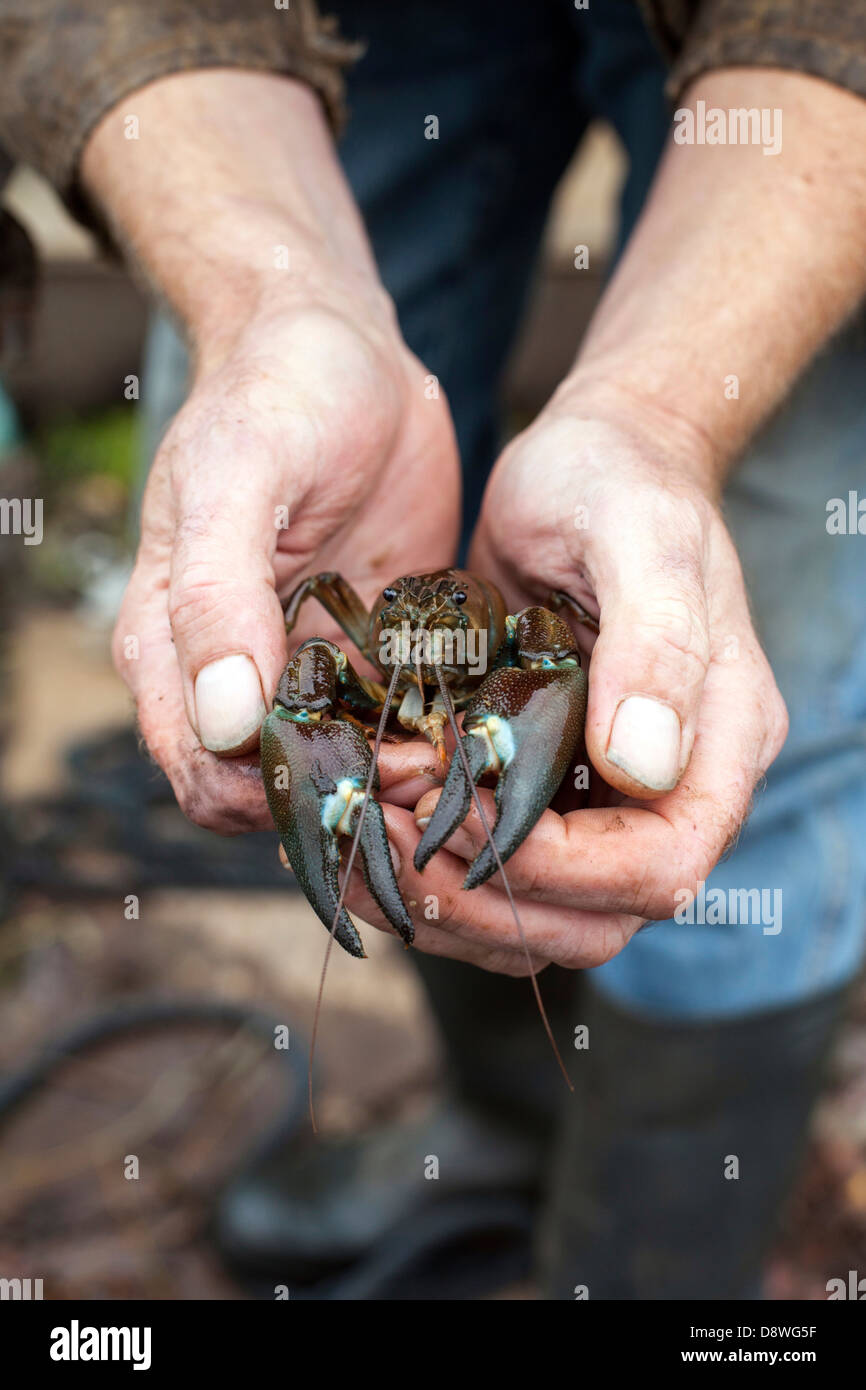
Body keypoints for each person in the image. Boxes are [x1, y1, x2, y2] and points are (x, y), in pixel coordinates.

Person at [2, 0, 866, 1298]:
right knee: (254, 554)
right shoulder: (358, 643)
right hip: (347, 31)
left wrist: (654, 418)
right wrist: (270, 307)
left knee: (727, 671)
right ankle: (502, 1124)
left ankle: (651, 1265)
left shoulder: (511, 644)